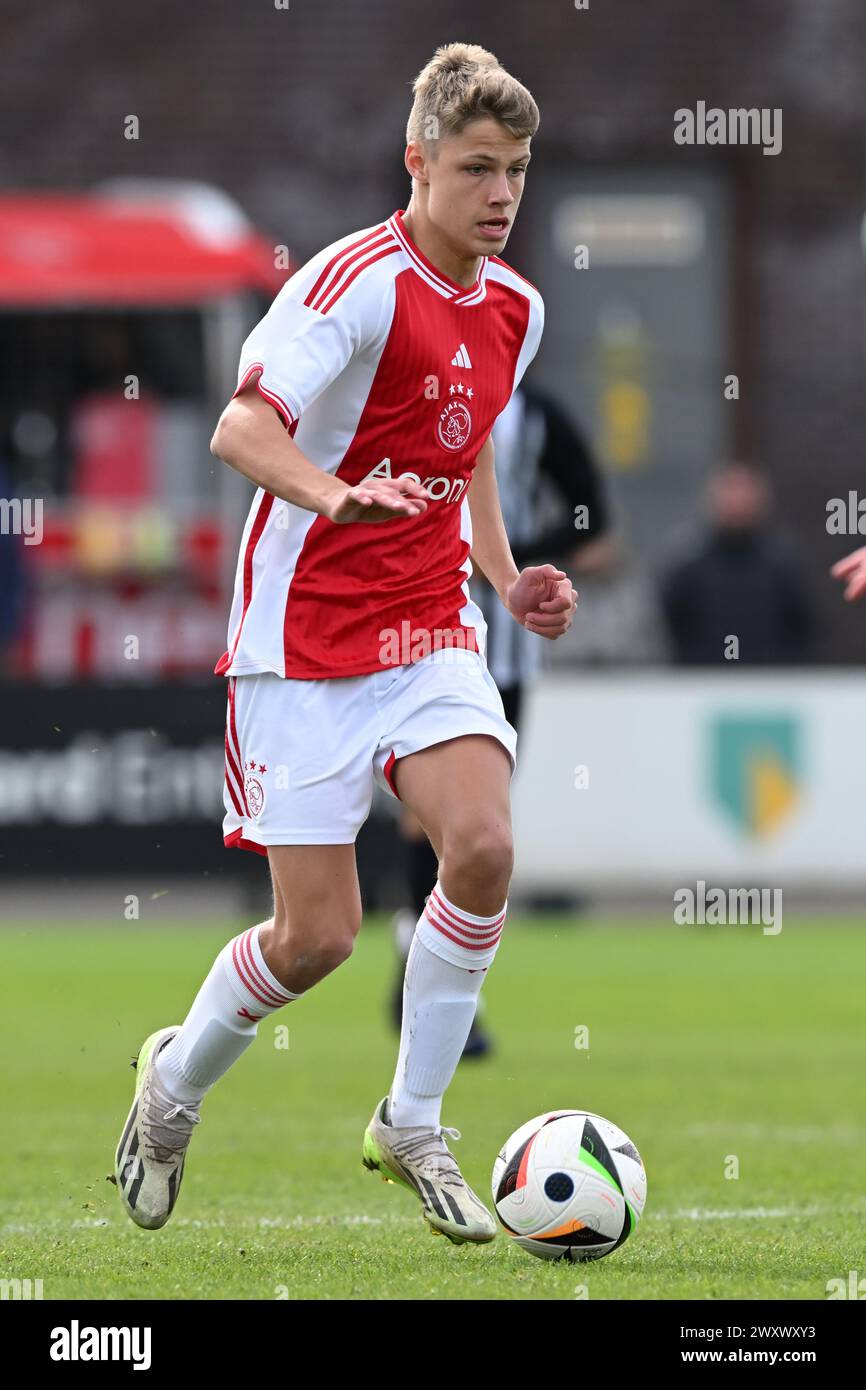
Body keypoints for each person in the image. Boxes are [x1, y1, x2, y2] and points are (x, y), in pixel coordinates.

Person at [114, 43, 578, 1247]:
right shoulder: (350, 284)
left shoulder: (518, 309)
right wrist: (332, 494)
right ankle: (172, 1088)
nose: (500, 194)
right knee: (313, 935)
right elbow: (238, 426)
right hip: (301, 639)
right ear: (415, 162)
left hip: (429, 624)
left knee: (479, 846)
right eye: (476, 168)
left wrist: (503, 573)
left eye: (517, 171)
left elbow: (465, 438)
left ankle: (411, 1119)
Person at [387, 379, 608, 1052]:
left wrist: (523, 565)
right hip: (416, 632)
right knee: (425, 821)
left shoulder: (537, 415)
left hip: (504, 652)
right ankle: (415, 961)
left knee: (477, 828)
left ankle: (437, 986)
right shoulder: (408, 385)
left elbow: (592, 518)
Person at [660, 460, 813, 664]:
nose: (737, 502)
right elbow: (669, 625)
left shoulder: (783, 565)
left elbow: (802, 627)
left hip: (769, 681)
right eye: (729, 492)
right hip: (702, 681)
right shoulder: (687, 564)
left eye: (744, 493)